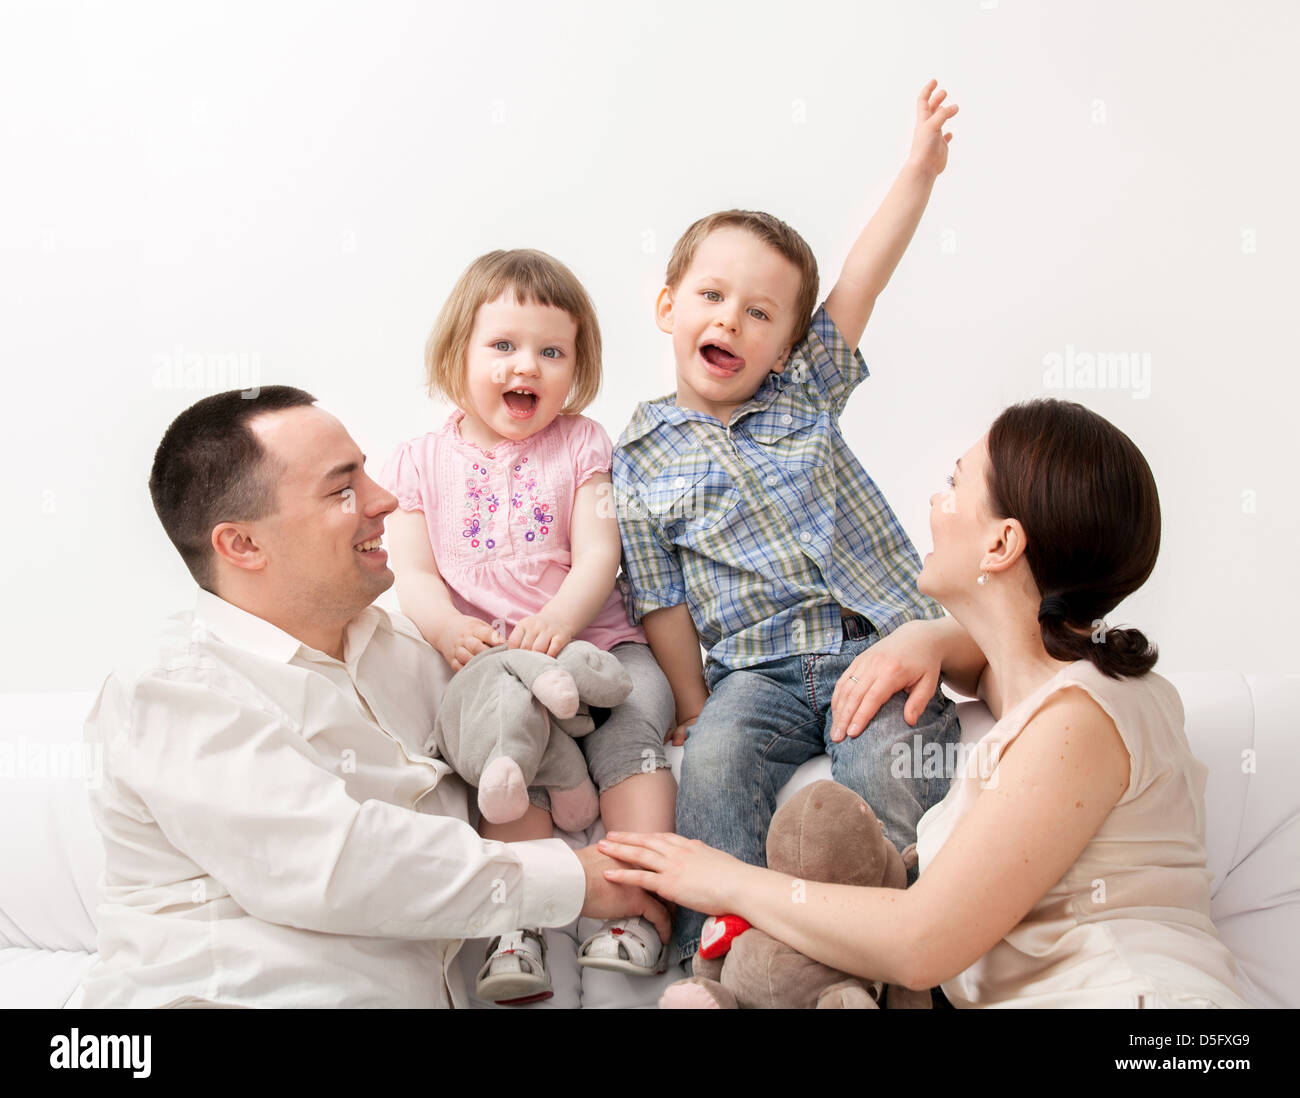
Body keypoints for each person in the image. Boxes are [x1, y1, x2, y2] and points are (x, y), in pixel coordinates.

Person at [600, 398, 1250, 1008]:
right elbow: (997, 662)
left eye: (955, 483)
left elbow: (919, 942)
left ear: (1000, 545)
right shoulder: (1059, 689)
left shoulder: (1083, 718)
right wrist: (926, 635)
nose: (934, 502)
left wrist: (726, 880)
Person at [81, 386, 668, 1009]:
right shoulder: (173, 693)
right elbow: (335, 864)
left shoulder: (415, 657)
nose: (386, 499)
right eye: (342, 489)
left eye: (366, 472)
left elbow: (525, 724)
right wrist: (578, 879)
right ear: (243, 545)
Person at [612, 81, 963, 968]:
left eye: (760, 313)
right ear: (669, 308)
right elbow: (659, 597)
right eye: (712, 296)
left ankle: (872, 932)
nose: (730, 318)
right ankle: (714, 960)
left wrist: (918, 169)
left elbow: (862, 279)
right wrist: (692, 705)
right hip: (752, 676)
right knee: (720, 767)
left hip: (871, 647)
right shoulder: (641, 451)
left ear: (787, 345)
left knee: (898, 753)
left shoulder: (801, 394)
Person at [380, 251, 677, 1003]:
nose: (529, 367)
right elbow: (411, 572)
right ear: (459, 353)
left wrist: (557, 619)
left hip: (597, 648)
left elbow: (599, 555)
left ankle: (642, 904)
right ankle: (517, 924)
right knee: (498, 757)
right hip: (496, 668)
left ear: (577, 367)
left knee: (634, 725)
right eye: (504, 347)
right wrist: (448, 628)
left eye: (553, 352)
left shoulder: (582, 445)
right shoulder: (419, 462)